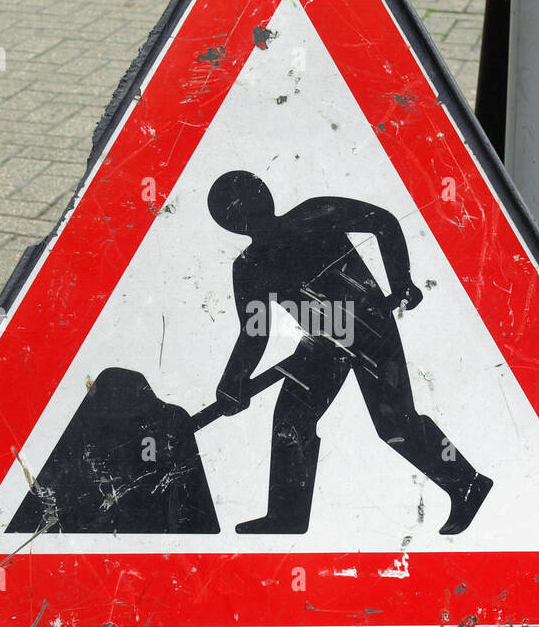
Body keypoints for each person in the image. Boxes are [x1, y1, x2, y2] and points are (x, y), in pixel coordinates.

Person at [209, 169, 492, 535]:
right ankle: (287, 516)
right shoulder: (249, 267)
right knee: (291, 421)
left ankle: (468, 482)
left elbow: (384, 223)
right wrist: (233, 380)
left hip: (370, 327)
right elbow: (255, 330)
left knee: (395, 423)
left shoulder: (314, 214)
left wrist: (401, 282)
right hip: (319, 345)